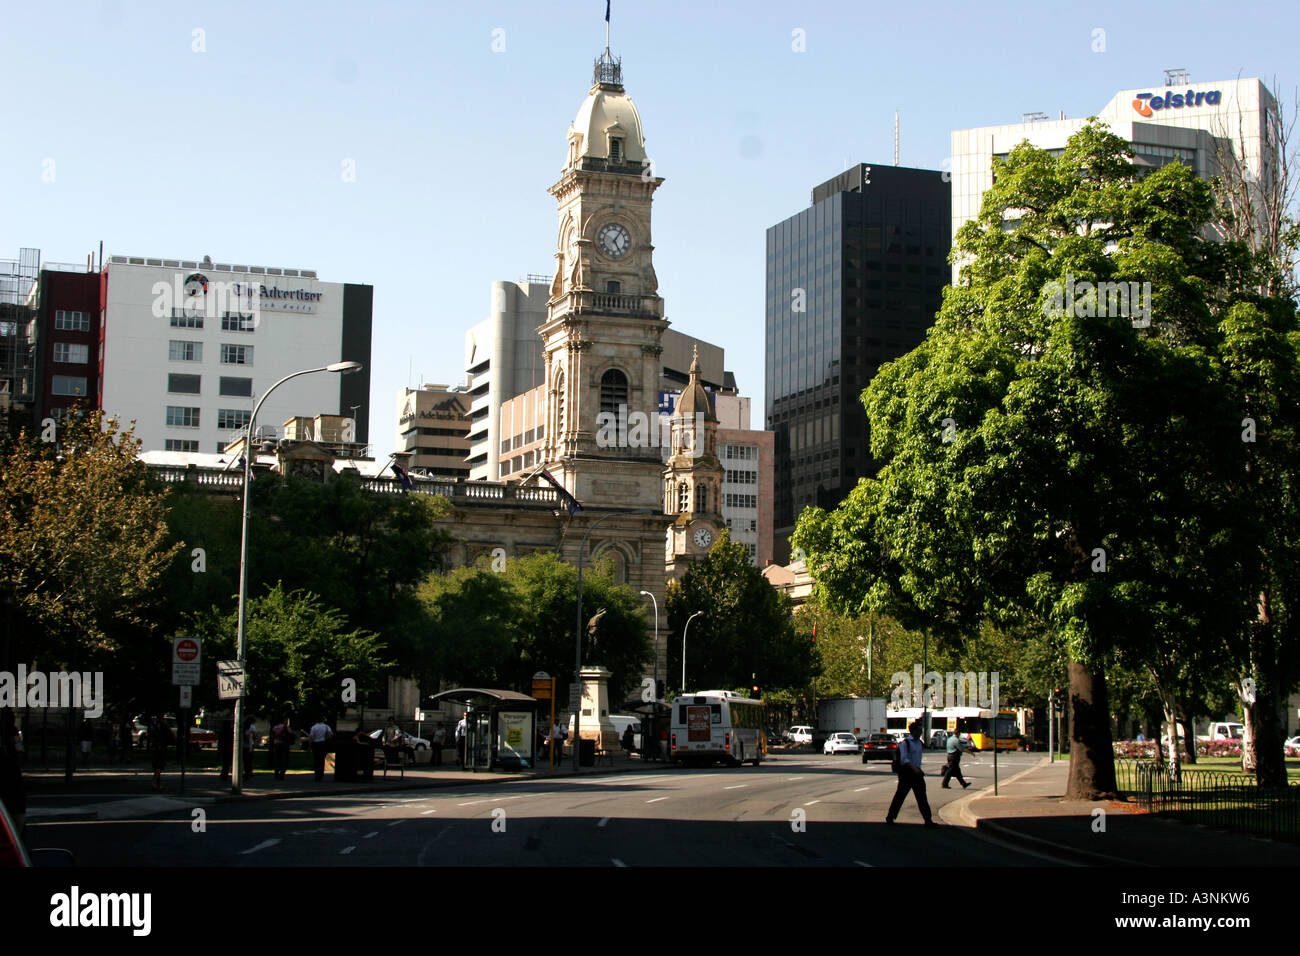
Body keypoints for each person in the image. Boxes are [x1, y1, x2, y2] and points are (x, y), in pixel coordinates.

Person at [886, 720, 936, 826]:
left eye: (921, 730)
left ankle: (928, 820)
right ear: (912, 731)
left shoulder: (919, 743)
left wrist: (918, 769)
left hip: (917, 773)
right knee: (900, 795)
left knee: (922, 797)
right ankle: (890, 817)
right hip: (907, 773)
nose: (920, 732)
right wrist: (915, 769)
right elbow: (904, 759)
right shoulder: (905, 743)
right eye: (918, 730)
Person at [148, 715, 173, 791]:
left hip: (154, 746)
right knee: (159, 766)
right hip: (161, 746)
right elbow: (169, 734)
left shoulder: (152, 724)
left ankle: (157, 784)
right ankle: (154, 782)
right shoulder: (163, 724)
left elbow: (149, 734)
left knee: (156, 766)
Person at [309, 718, 333, 782]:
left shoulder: (314, 727)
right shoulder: (326, 726)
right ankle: (321, 775)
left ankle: (316, 775)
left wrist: (310, 745)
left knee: (316, 760)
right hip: (323, 744)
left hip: (316, 744)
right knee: (322, 760)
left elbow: (311, 737)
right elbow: (331, 734)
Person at [218, 715, 234, 780]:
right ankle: (225, 773)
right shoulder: (230, 731)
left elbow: (220, 741)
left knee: (225, 762)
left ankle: (224, 774)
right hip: (229, 748)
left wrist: (219, 749)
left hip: (224, 748)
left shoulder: (222, 731)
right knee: (228, 762)